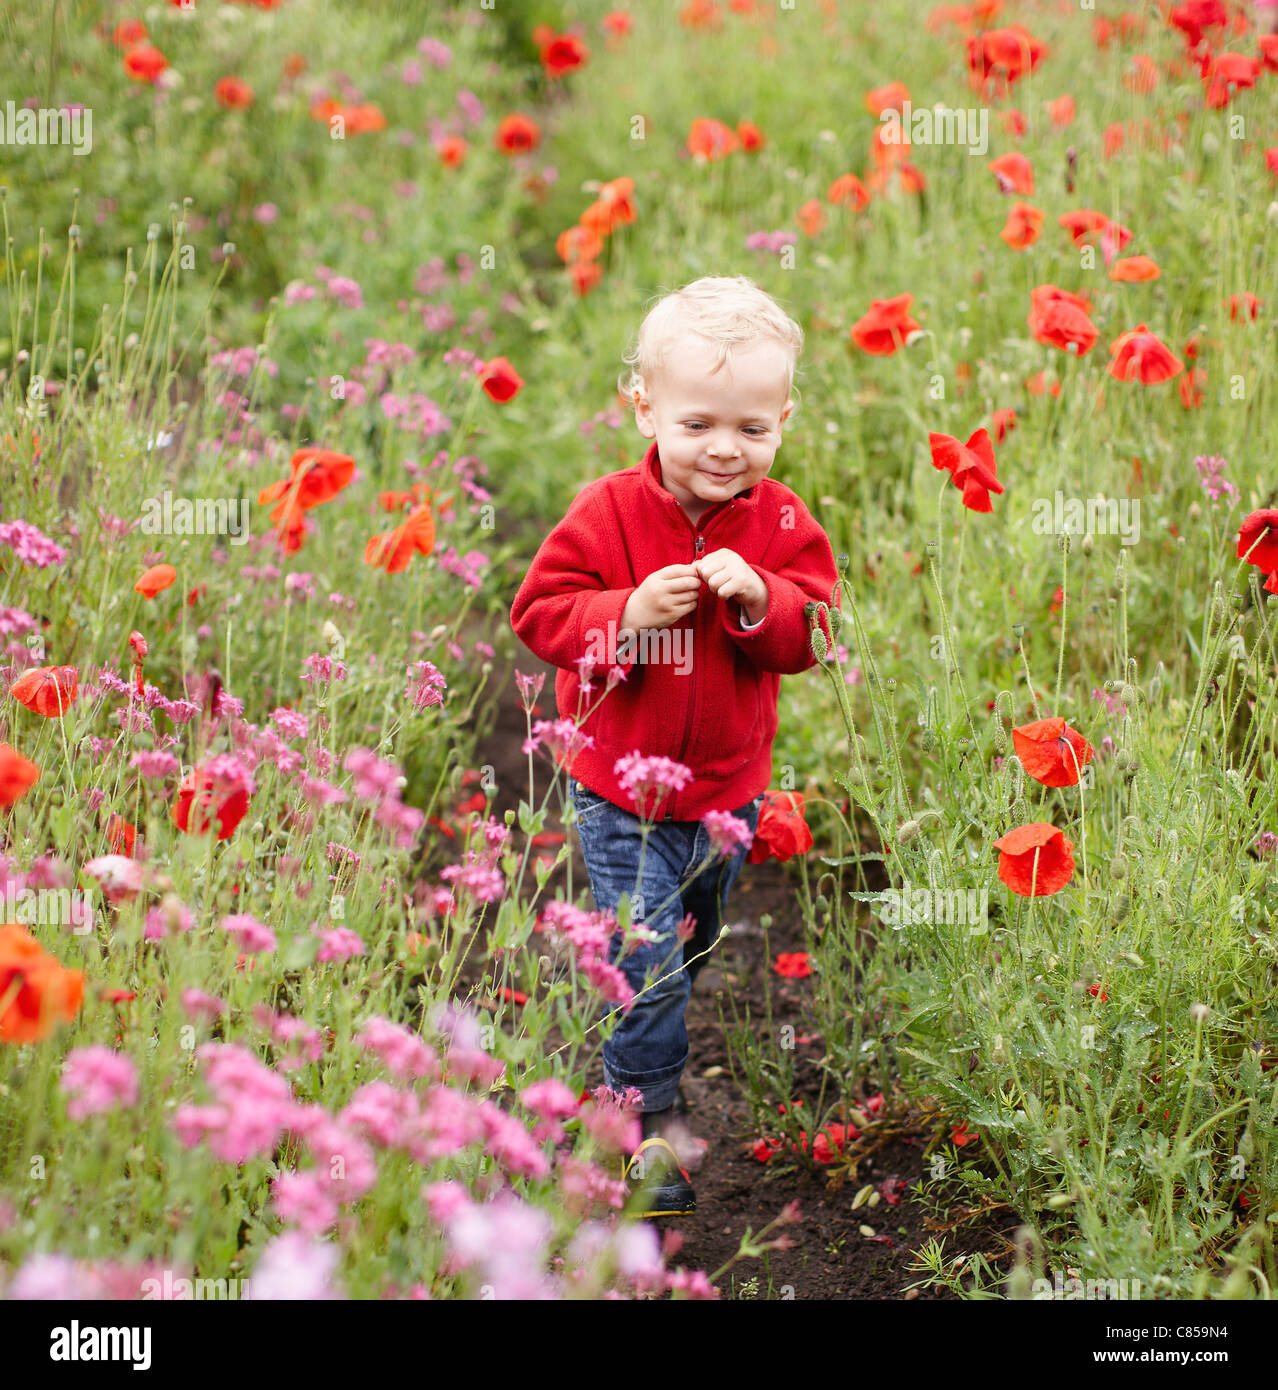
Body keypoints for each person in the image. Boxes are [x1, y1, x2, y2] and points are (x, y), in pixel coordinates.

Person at [510, 274, 839, 1215]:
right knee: (648, 960)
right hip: (619, 788)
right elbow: (539, 614)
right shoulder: (607, 512)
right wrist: (624, 611)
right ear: (645, 407)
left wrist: (761, 602)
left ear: (784, 416)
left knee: (684, 951)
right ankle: (643, 1127)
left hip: (728, 794)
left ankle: (632, 1044)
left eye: (751, 428)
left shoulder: (781, 525)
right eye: (697, 425)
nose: (725, 449)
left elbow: (817, 635)